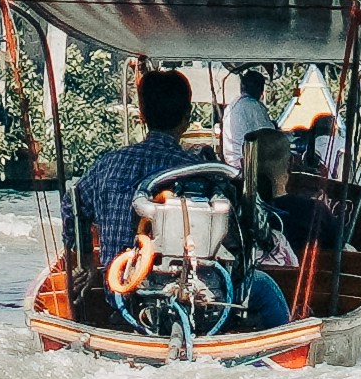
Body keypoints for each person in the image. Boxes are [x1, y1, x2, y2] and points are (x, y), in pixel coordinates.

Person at [65, 67, 286, 335]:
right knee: (262, 285)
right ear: (187, 117)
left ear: (143, 116)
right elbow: (243, 234)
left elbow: (71, 205)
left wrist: (86, 261)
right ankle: (285, 352)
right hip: (200, 305)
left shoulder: (107, 166)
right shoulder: (203, 171)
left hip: (125, 300)